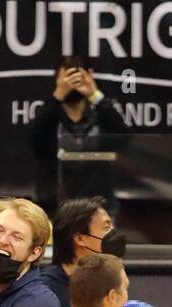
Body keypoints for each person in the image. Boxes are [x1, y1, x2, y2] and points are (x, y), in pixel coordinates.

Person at [27, 56, 126, 217]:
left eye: (78, 78)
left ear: (90, 77)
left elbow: (123, 136)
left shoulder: (103, 113)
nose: (72, 84)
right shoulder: (49, 115)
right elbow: (33, 138)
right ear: (57, 80)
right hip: (52, 204)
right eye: (67, 79)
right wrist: (57, 96)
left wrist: (95, 95)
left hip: (98, 206)